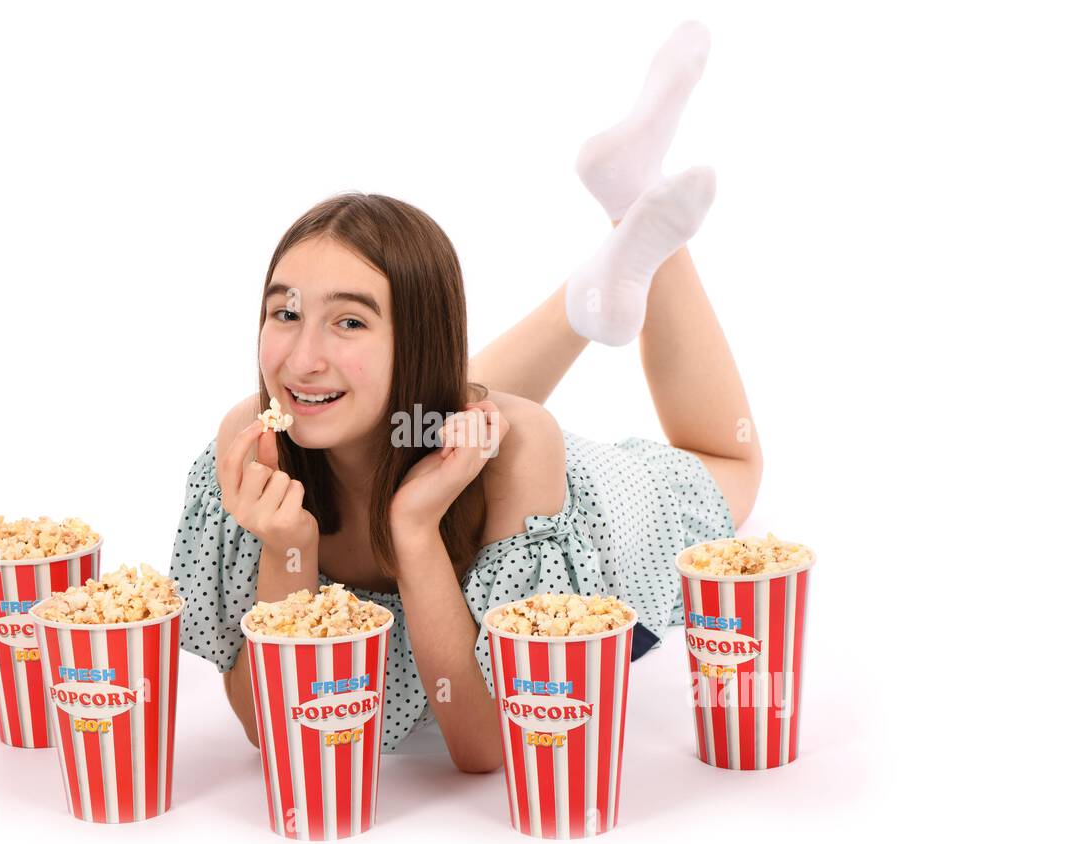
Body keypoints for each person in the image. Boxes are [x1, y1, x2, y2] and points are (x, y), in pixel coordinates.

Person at [170, 22, 762, 772]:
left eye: (347, 319)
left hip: (598, 505)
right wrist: (289, 549)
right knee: (398, 404)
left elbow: (487, 747)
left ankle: (635, 209)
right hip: (431, 425)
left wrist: (415, 530)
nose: (302, 357)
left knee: (732, 460)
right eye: (285, 312)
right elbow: (270, 728)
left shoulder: (519, 444)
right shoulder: (250, 450)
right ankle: (589, 293)